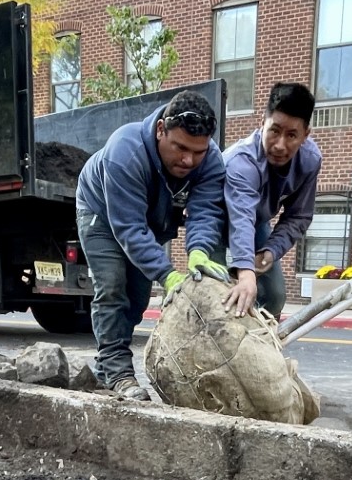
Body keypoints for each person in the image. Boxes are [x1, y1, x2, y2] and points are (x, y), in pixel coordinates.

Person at [74, 90, 235, 400]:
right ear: (161, 130)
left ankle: (108, 363)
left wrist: (198, 250)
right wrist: (168, 274)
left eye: (198, 152)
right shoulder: (125, 150)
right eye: (180, 148)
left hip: (149, 218)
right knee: (112, 286)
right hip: (102, 214)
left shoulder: (210, 159)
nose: (189, 160)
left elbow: (205, 210)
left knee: (136, 297)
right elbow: (129, 229)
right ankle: (116, 370)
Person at [190, 82, 323, 322]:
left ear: (305, 135)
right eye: (274, 130)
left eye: (292, 135)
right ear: (263, 123)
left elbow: (298, 216)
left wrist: (271, 251)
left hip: (256, 222)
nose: (280, 145)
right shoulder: (241, 161)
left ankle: (262, 348)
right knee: (216, 295)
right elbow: (241, 218)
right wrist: (246, 274)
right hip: (214, 221)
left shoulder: (310, 161)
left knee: (274, 295)